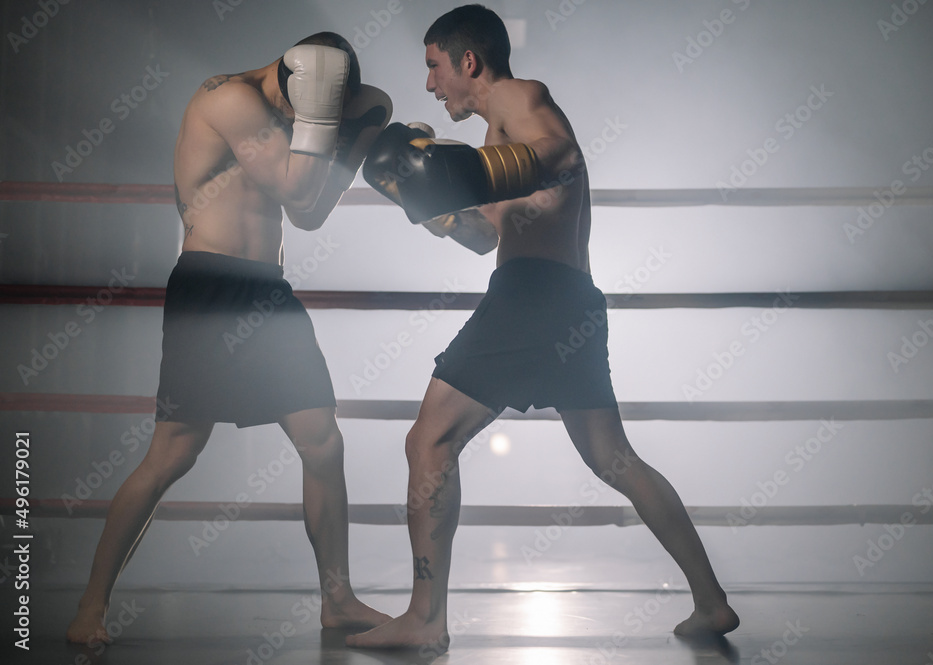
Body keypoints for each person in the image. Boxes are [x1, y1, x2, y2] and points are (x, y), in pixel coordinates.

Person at [348, 5, 740, 651]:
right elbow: (485, 237)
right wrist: (425, 201)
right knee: (614, 458)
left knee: (428, 441)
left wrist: (458, 172)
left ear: (467, 60)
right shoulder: (495, 136)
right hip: (569, 301)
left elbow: (559, 154)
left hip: (530, 298)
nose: (429, 84)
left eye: (434, 66)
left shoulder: (518, 96)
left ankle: (425, 618)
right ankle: (712, 600)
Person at [66, 32, 393, 645]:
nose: (303, 119)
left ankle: (338, 600)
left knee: (323, 442)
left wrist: (356, 138)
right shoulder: (229, 100)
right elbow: (297, 189)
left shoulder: (292, 107)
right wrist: (339, 129)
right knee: (173, 453)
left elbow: (308, 215)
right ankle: (90, 606)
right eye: (311, 106)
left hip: (268, 290)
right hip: (210, 287)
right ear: (297, 79)